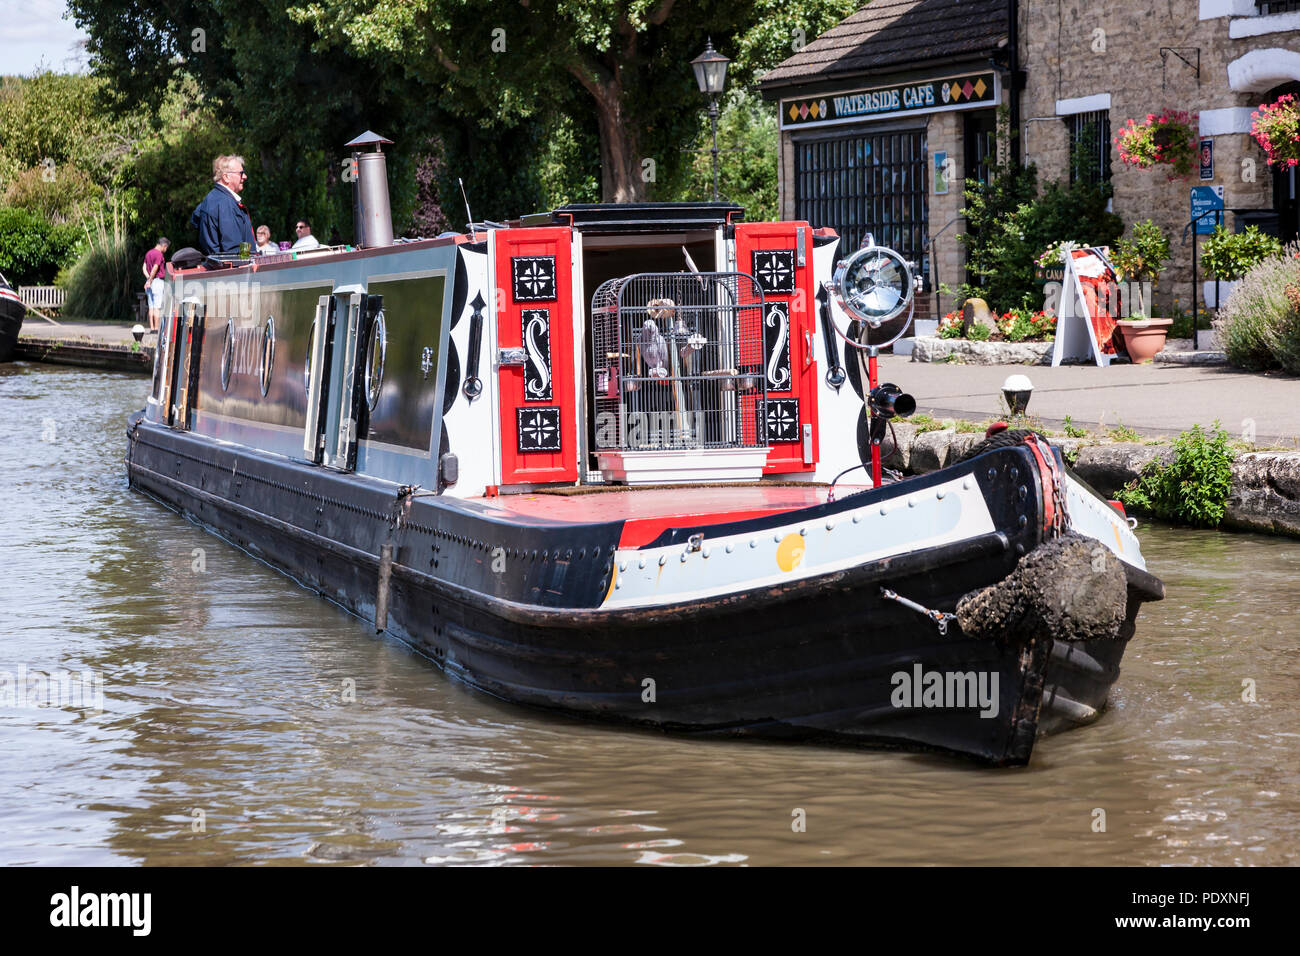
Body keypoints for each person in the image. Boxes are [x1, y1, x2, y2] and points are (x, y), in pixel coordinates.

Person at [190, 155, 255, 256]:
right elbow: (234, 250)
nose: (245, 176)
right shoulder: (225, 204)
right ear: (226, 177)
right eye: (241, 173)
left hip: (218, 267)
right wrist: (250, 263)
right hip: (235, 270)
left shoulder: (212, 198)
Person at [142, 236, 170, 331]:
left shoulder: (148, 253)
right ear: (164, 246)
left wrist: (148, 280)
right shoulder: (159, 254)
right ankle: (156, 329)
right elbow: (155, 268)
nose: (165, 250)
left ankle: (151, 327)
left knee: (151, 306)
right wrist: (151, 280)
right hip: (157, 282)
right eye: (166, 248)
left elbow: (144, 268)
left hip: (150, 282)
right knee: (157, 307)